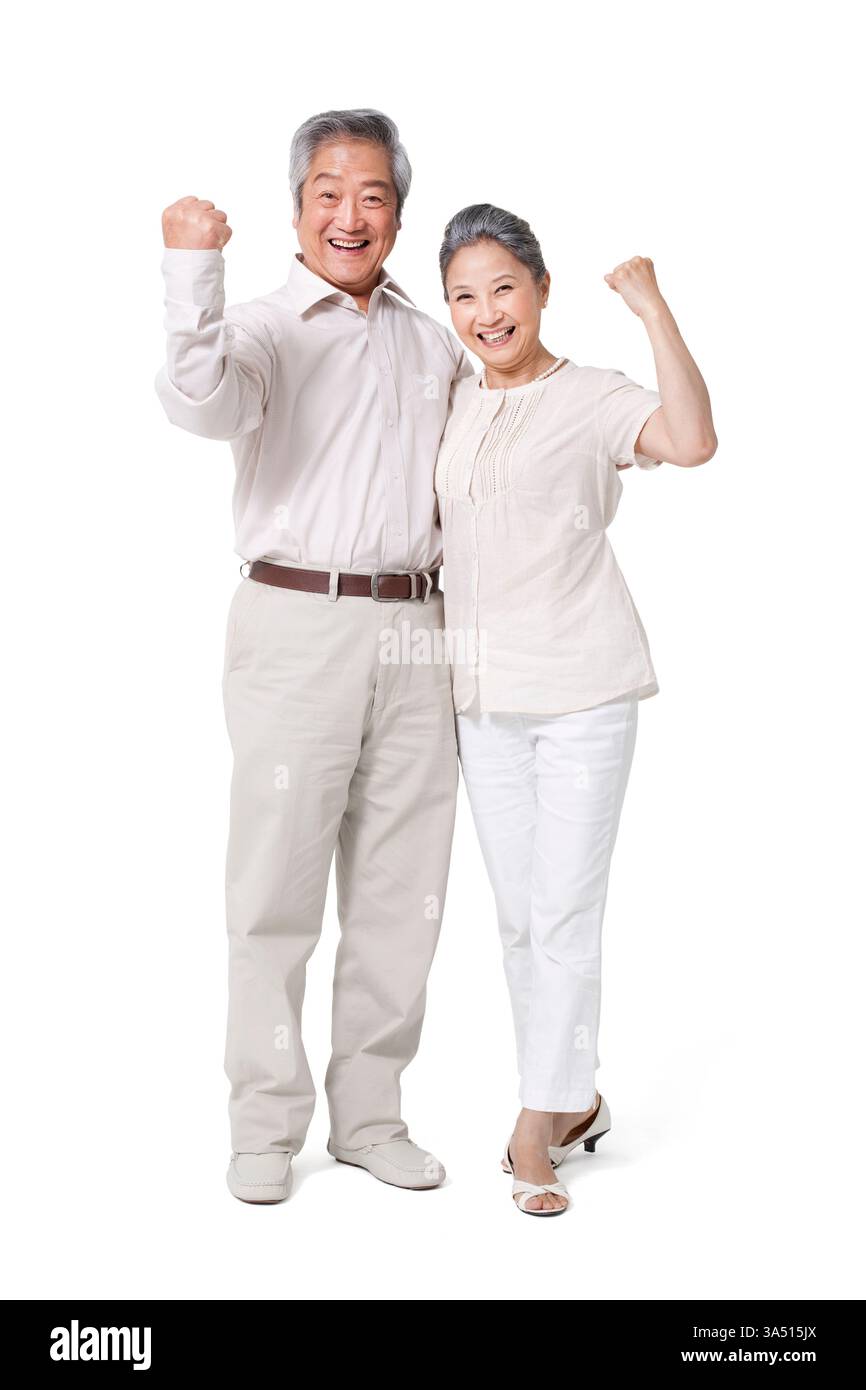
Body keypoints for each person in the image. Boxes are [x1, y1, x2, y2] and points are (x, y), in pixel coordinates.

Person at [154, 109, 473, 1204]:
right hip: (295, 625)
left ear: (397, 213)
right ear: (297, 208)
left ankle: (370, 1115)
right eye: (329, 191)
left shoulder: (430, 340)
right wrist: (191, 269)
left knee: (402, 887)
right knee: (274, 885)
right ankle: (263, 1121)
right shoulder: (259, 327)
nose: (351, 213)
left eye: (373, 194)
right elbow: (199, 403)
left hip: (419, 629)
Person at [434, 204, 717, 1215]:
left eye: (501, 287)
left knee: (562, 910)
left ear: (539, 289)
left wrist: (650, 307)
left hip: (583, 690)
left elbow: (689, 440)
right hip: (480, 700)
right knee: (518, 918)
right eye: (463, 295)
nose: (484, 311)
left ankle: (532, 1124)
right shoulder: (453, 404)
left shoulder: (590, 395)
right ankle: (575, 1097)